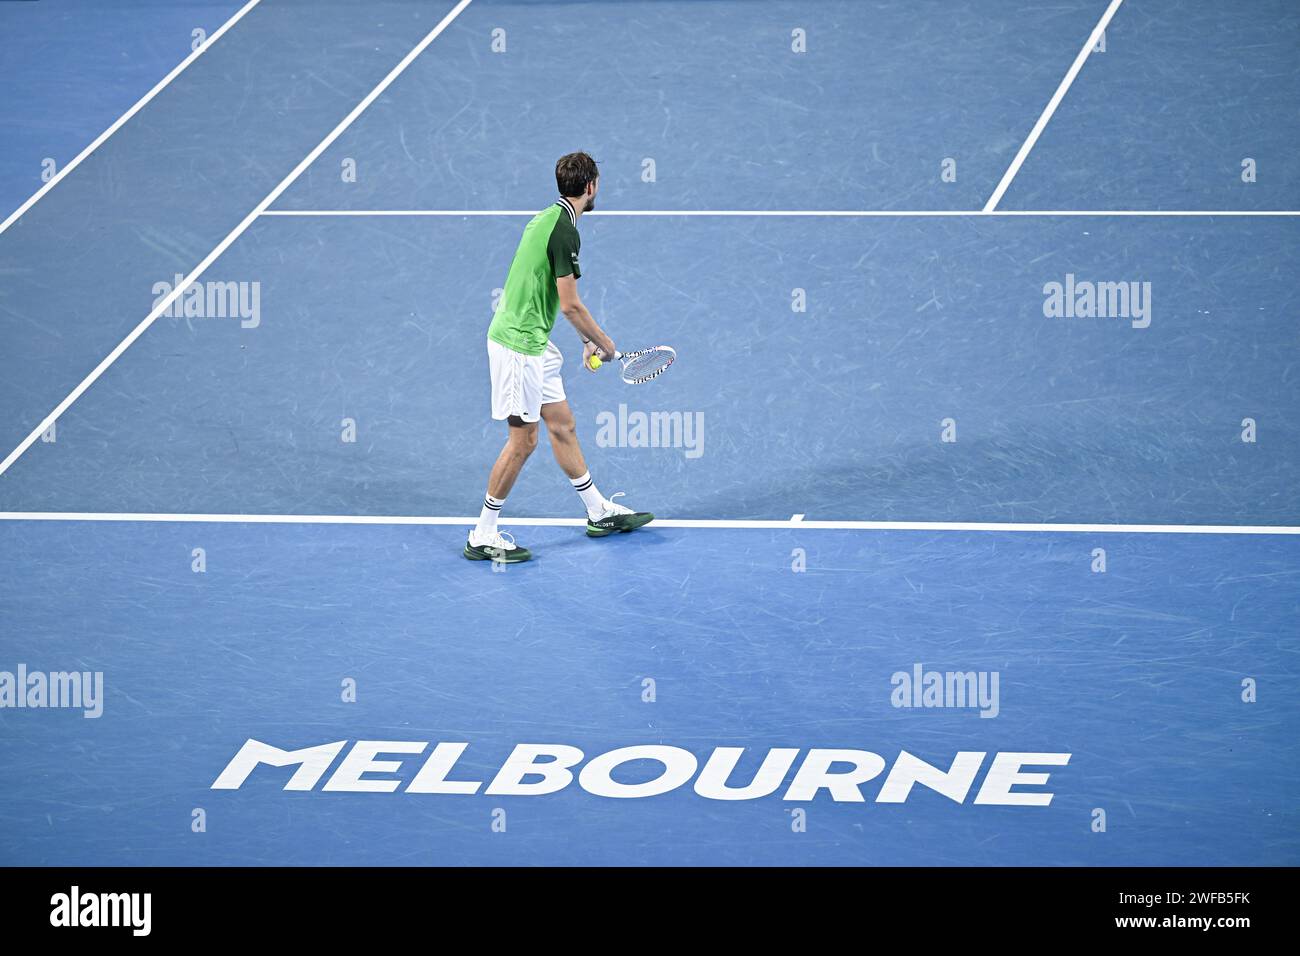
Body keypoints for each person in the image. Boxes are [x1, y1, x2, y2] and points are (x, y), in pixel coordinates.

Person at [465, 152, 653, 563]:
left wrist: (584, 341)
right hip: (518, 347)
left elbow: (550, 296)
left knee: (563, 426)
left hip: (535, 343)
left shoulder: (548, 218)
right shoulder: (565, 233)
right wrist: (604, 344)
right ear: (591, 187)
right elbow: (570, 305)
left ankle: (597, 511)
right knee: (523, 441)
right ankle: (482, 533)